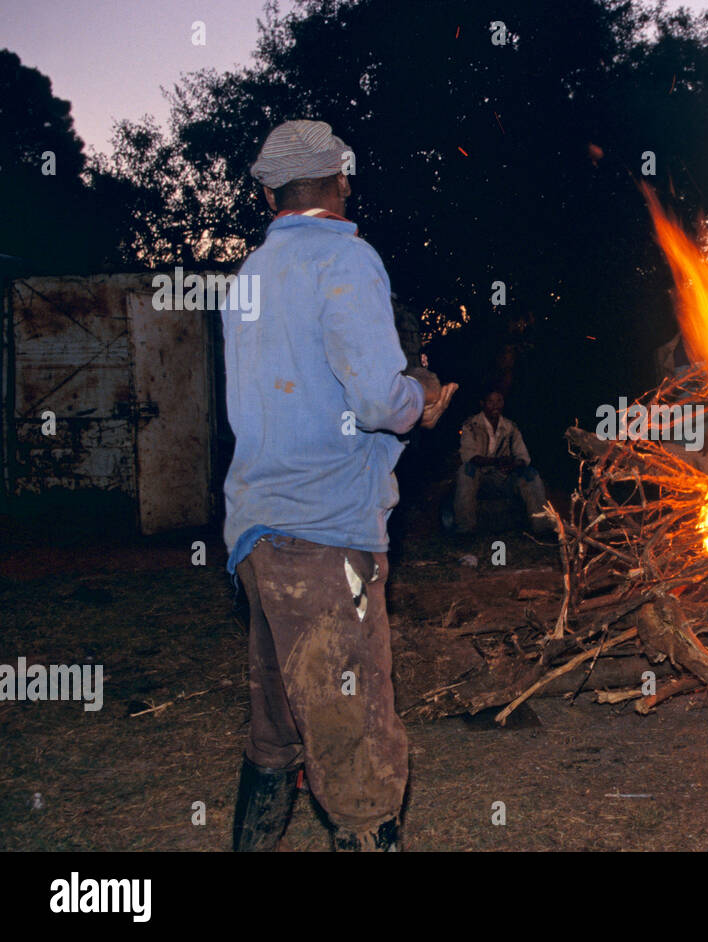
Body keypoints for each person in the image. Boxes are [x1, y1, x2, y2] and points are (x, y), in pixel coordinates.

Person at [223, 120, 457, 852]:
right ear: (342, 179)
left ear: (268, 193)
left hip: (258, 532)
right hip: (327, 536)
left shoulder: (249, 276)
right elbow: (377, 404)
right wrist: (421, 394)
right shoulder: (347, 262)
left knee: (279, 726)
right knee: (355, 738)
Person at [453, 390, 549, 536]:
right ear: (482, 404)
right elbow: (470, 457)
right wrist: (497, 461)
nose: (495, 406)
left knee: (531, 474)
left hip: (503, 478)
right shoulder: (471, 425)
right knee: (466, 471)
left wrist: (513, 465)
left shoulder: (510, 427)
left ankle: (542, 527)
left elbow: (523, 456)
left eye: (499, 401)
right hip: (481, 478)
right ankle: (465, 528)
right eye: (490, 402)